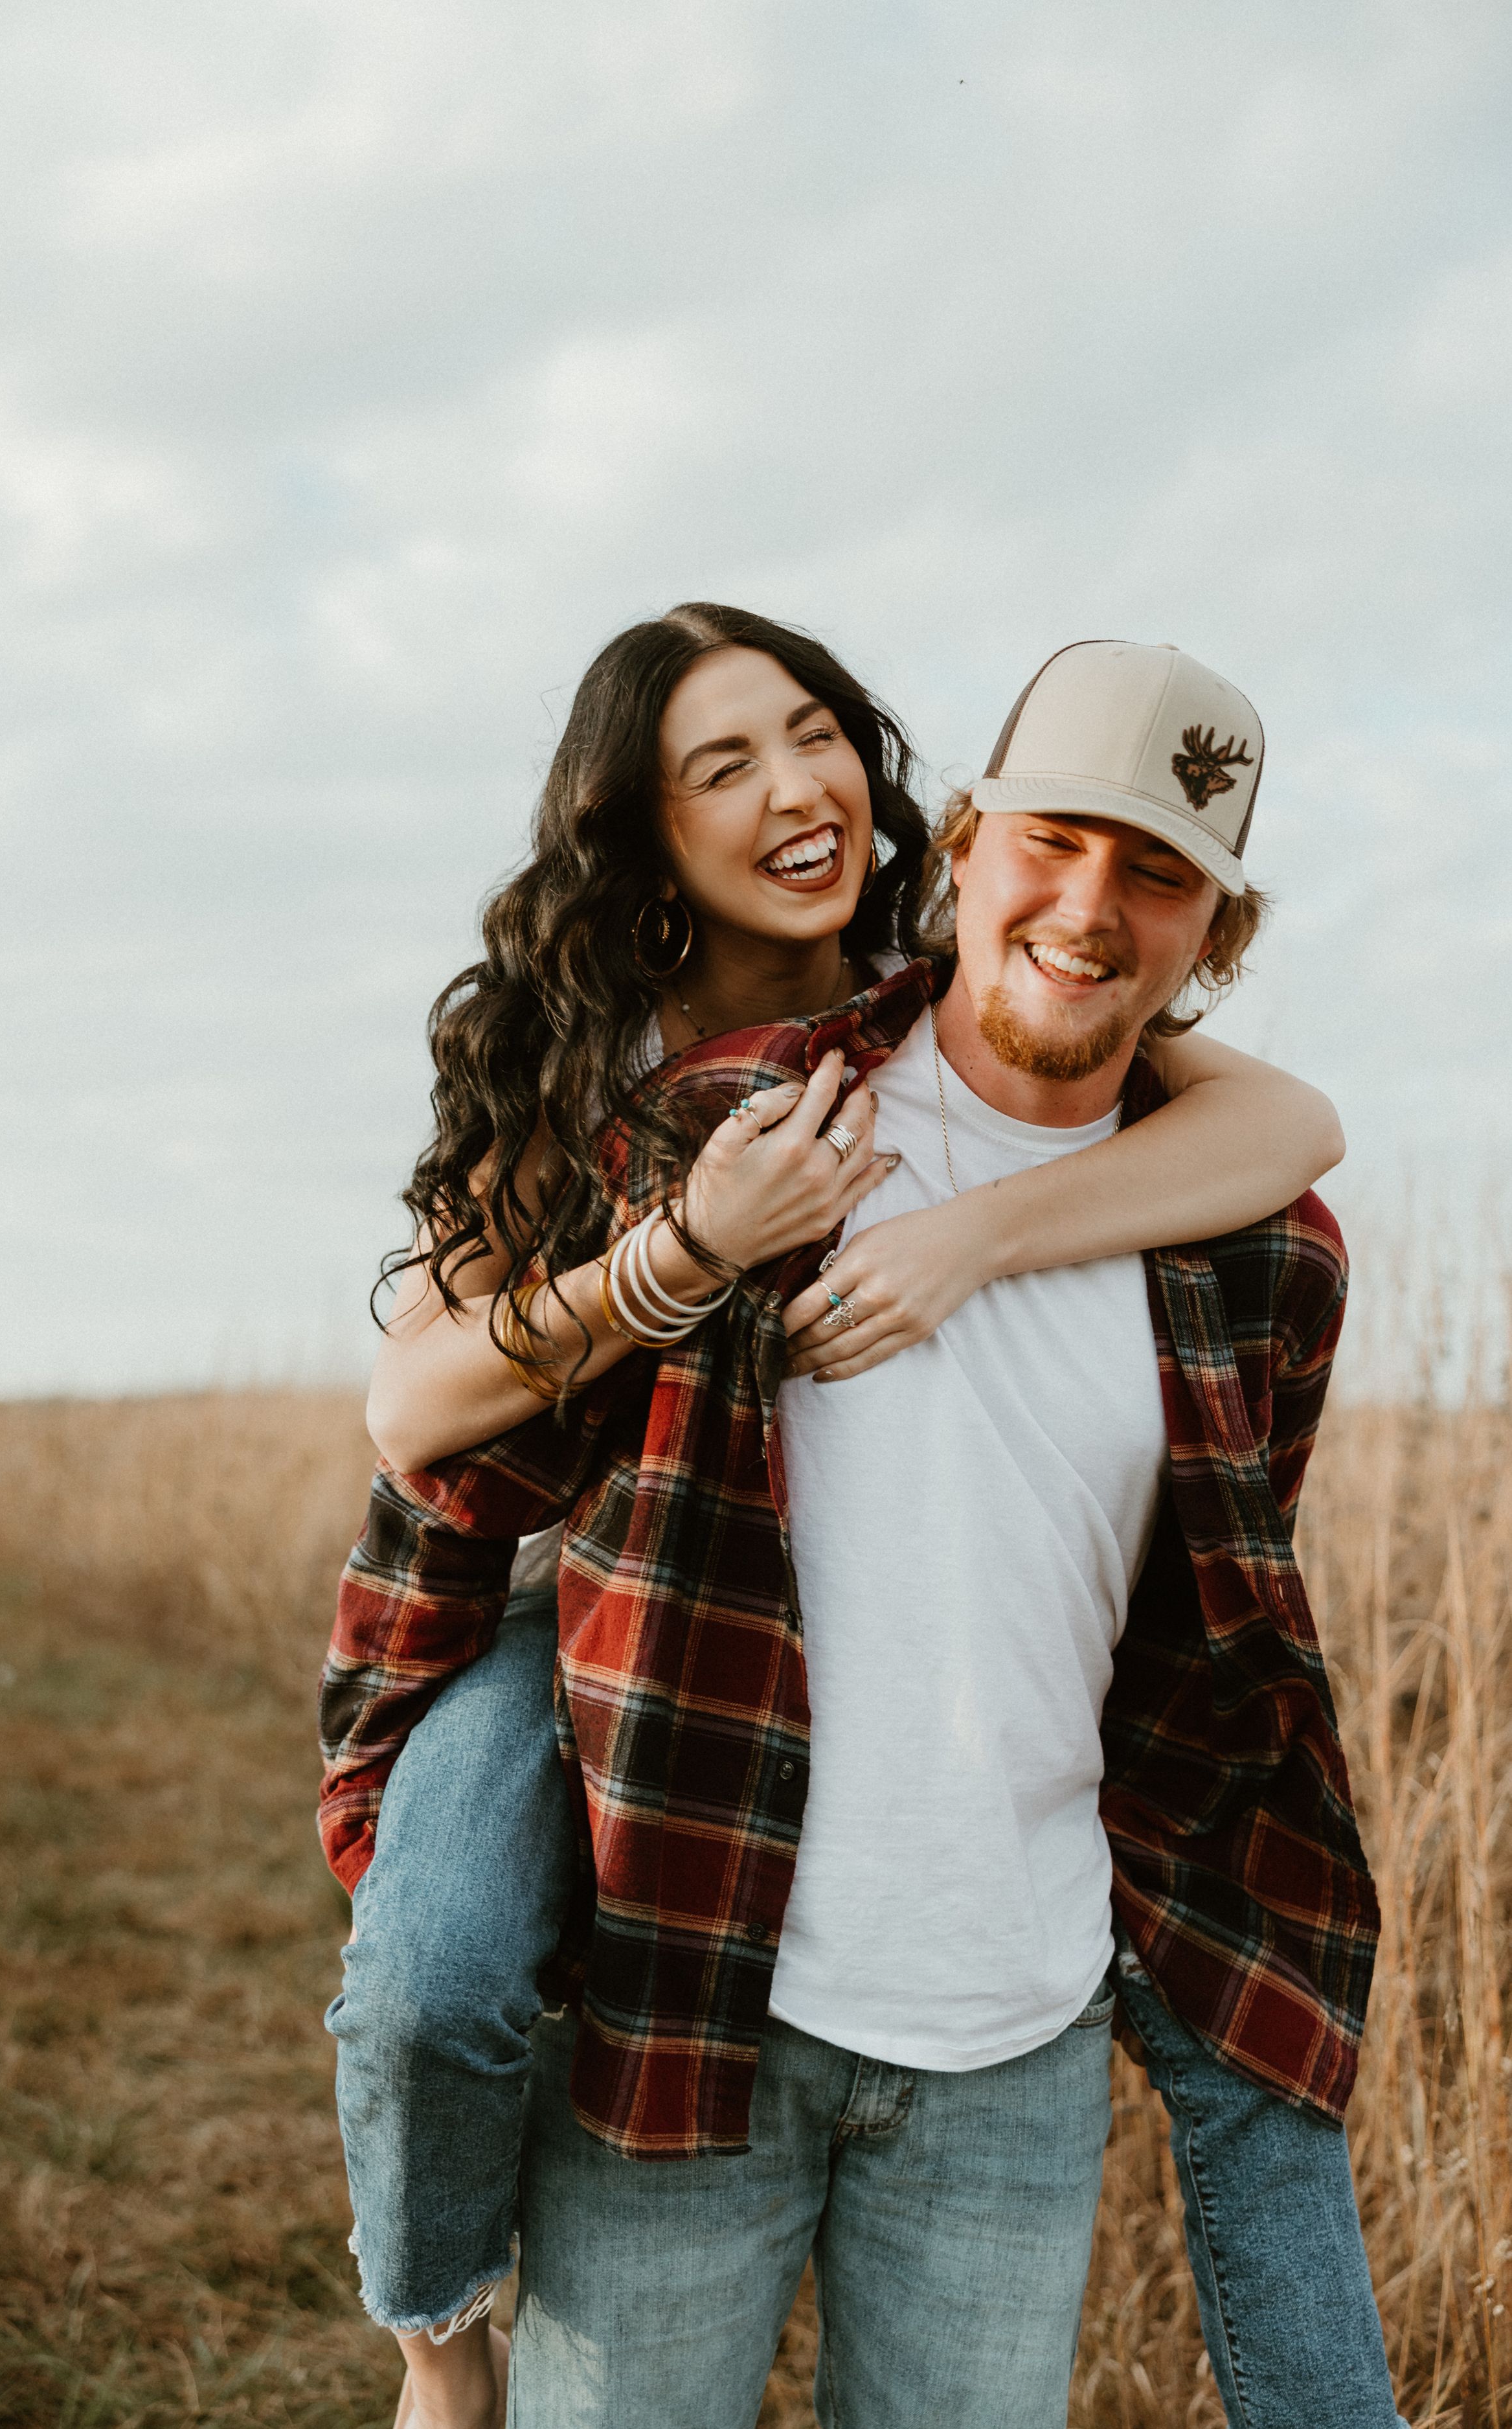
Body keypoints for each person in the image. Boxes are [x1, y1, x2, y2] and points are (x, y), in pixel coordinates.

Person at [320, 613, 1379, 2428]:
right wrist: (682, 1256)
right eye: (717, 766)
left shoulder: (1244, 1236)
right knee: (432, 1974)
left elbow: (1290, 1131)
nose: (789, 788)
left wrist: (968, 1238)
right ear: (966, 841)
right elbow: (421, 1424)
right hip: (660, 1845)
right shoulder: (683, 1111)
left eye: (808, 737)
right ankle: (436, 2338)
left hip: (1007, 2033)